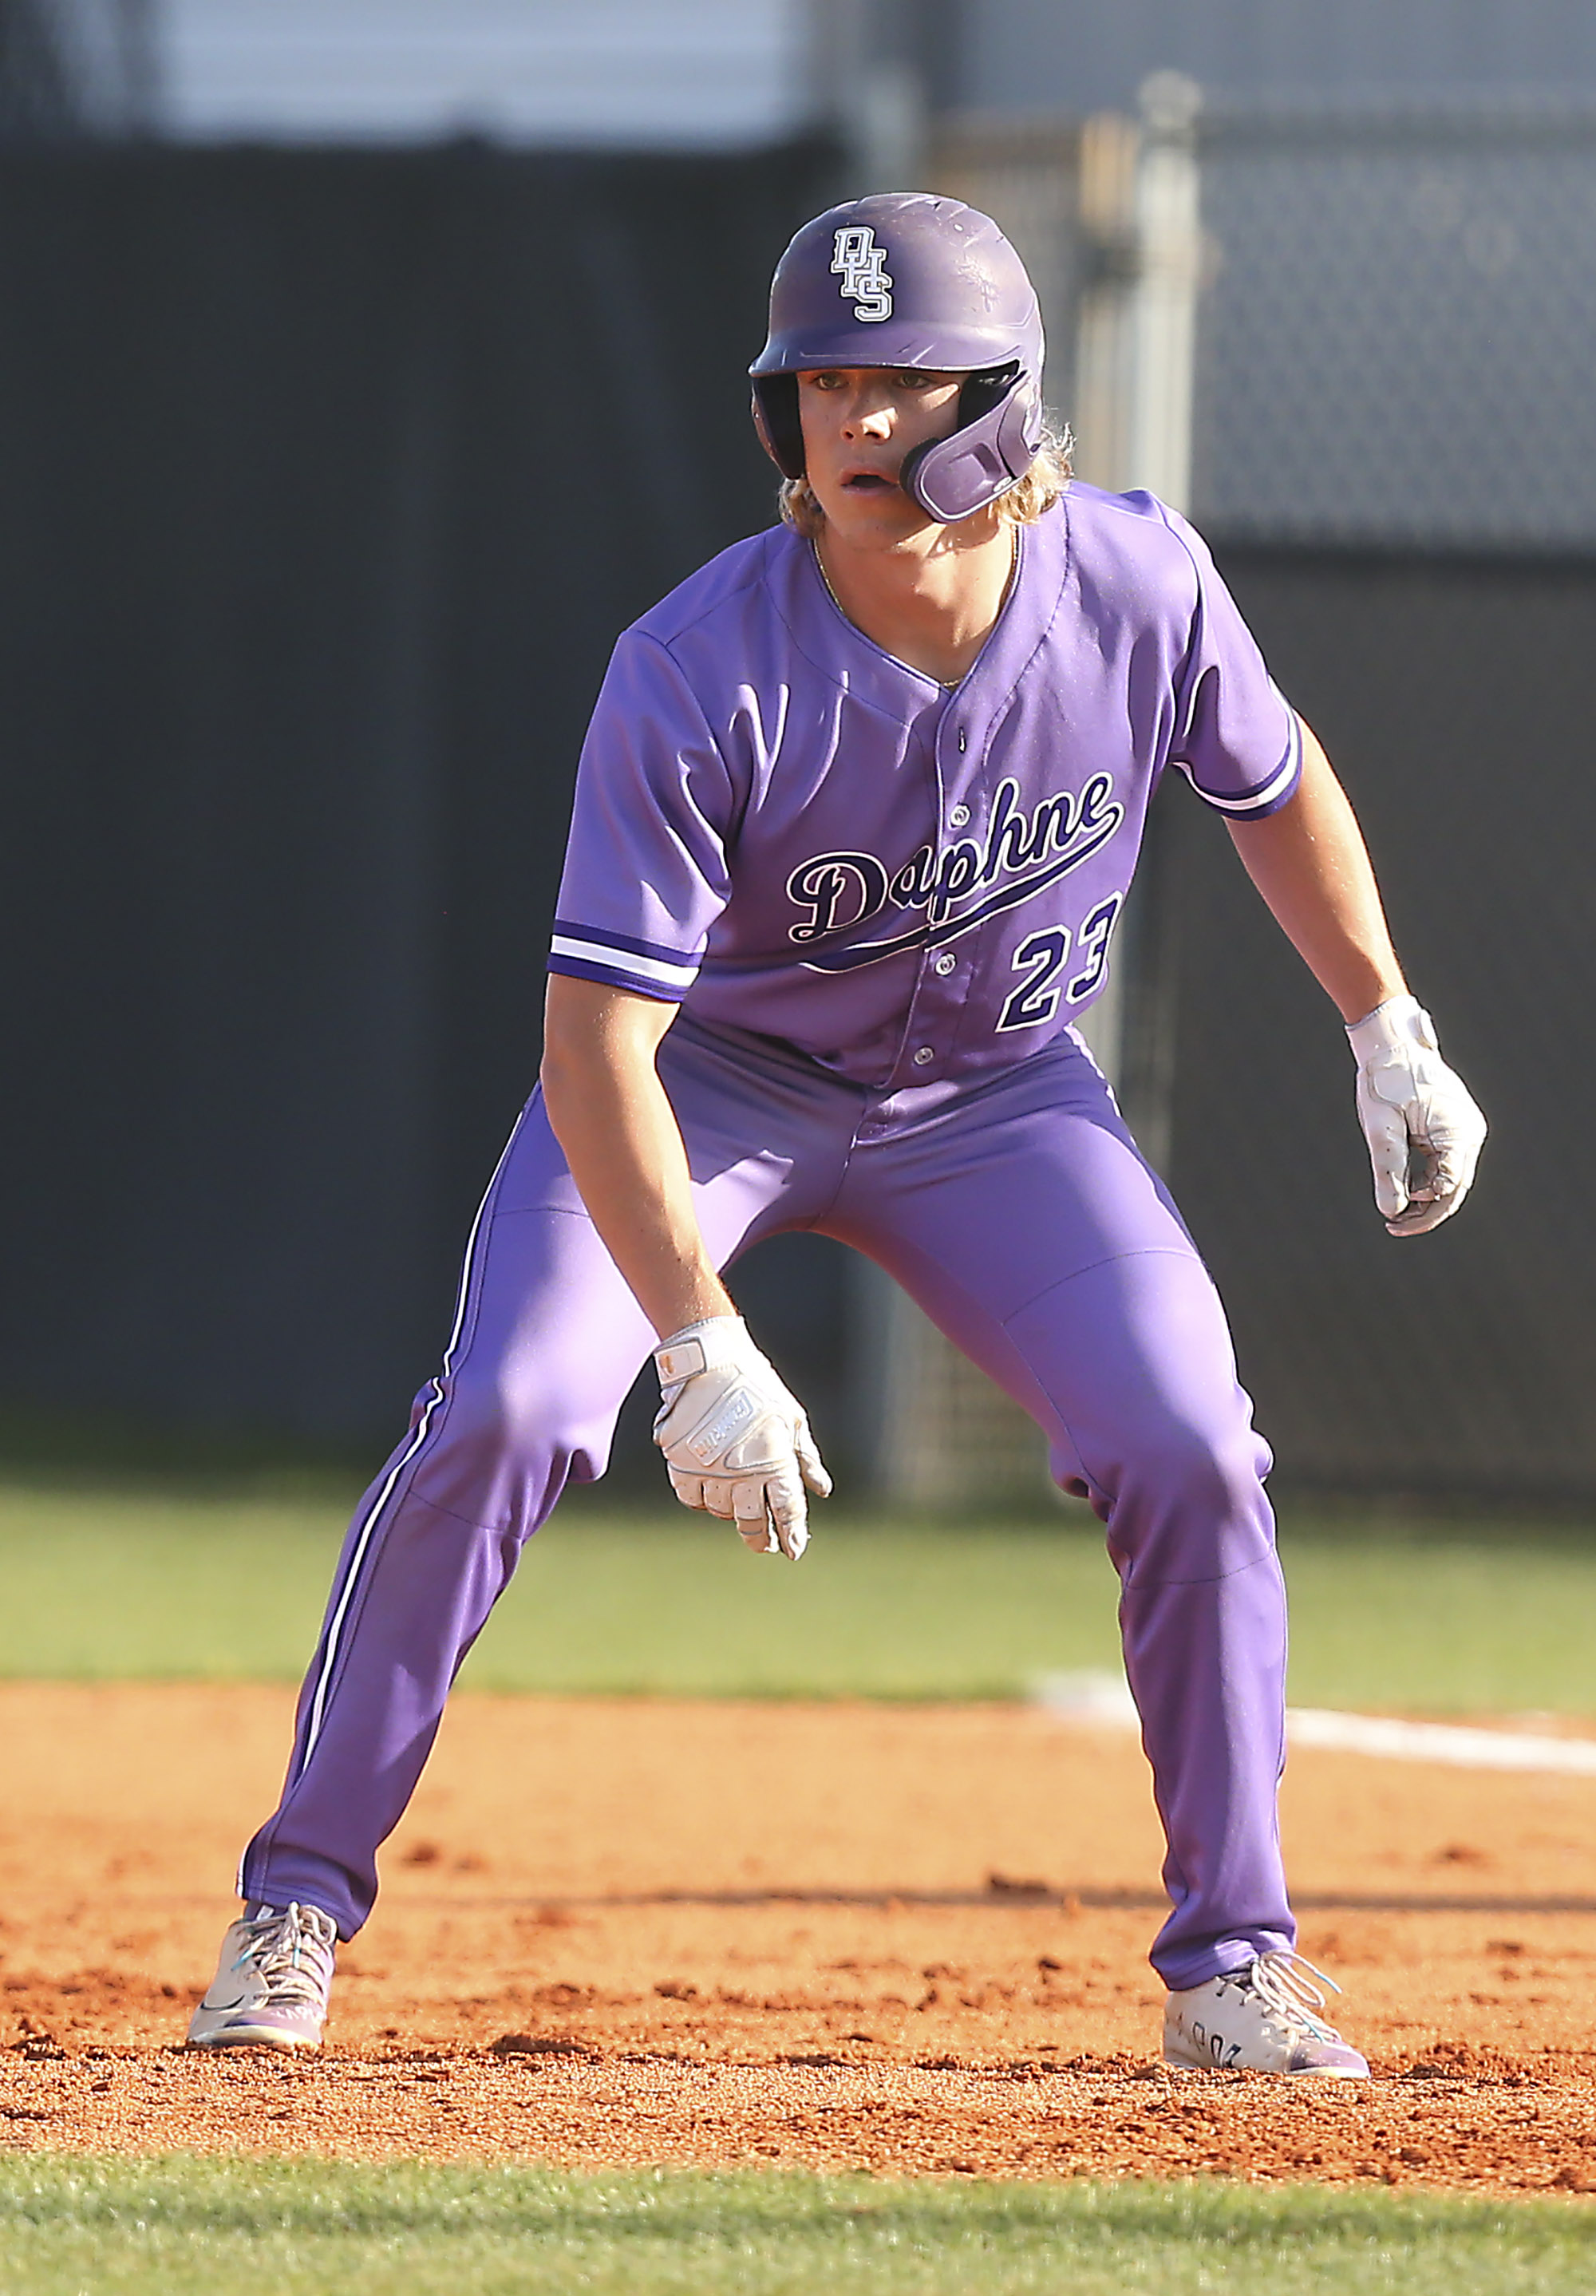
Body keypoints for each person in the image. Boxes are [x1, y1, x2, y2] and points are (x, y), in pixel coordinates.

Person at [188, 193, 1485, 2075]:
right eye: (821, 383)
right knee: (508, 1413)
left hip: (996, 1099)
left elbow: (1272, 785)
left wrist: (1387, 1024)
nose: (858, 422)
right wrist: (702, 1340)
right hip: (708, 1086)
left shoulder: (1137, 585)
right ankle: (294, 1907)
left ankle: (1233, 1962)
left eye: (903, 379)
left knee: (1190, 1443)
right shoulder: (700, 667)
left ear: (1008, 406)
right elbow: (595, 1056)